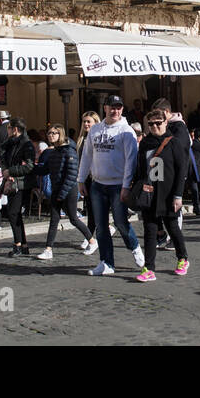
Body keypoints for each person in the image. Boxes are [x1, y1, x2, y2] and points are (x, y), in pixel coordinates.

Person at [78, 95, 143, 276]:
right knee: (101, 226)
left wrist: (126, 185)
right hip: (98, 184)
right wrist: (81, 179)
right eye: (111, 107)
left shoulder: (126, 131)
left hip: (117, 185)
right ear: (104, 108)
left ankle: (135, 246)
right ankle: (106, 263)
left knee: (121, 222)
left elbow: (131, 160)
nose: (115, 111)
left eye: (118, 107)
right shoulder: (95, 130)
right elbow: (87, 156)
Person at [131, 109, 191, 282]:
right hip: (150, 193)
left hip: (168, 193)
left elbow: (181, 171)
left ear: (166, 122)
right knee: (150, 230)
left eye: (158, 123)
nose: (155, 126)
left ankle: (183, 258)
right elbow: (141, 168)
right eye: (151, 124)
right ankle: (149, 268)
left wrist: (178, 195)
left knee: (172, 227)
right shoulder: (145, 143)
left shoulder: (174, 143)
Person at [34, 123, 91, 259]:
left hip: (68, 191)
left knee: (73, 218)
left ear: (61, 135)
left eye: (54, 133)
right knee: (54, 220)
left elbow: (71, 175)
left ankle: (92, 240)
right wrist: (31, 167)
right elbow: (46, 169)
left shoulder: (69, 151)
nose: (51, 135)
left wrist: (61, 194)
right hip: (56, 189)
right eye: (49, 133)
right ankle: (48, 249)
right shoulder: (53, 152)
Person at [0, 118, 36, 257]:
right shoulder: (10, 143)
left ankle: (18, 244)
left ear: (15, 129)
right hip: (13, 180)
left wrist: (11, 171)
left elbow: (30, 166)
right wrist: (6, 171)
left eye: (8, 128)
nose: (7, 131)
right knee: (16, 214)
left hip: (22, 183)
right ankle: (23, 244)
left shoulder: (26, 144)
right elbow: (3, 156)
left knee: (13, 213)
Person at [76, 111, 100, 251]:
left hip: (97, 178)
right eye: (84, 121)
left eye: (88, 121)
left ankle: (89, 237)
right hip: (86, 179)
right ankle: (90, 236)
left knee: (93, 210)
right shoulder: (81, 139)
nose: (86, 124)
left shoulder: (98, 138)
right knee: (90, 209)